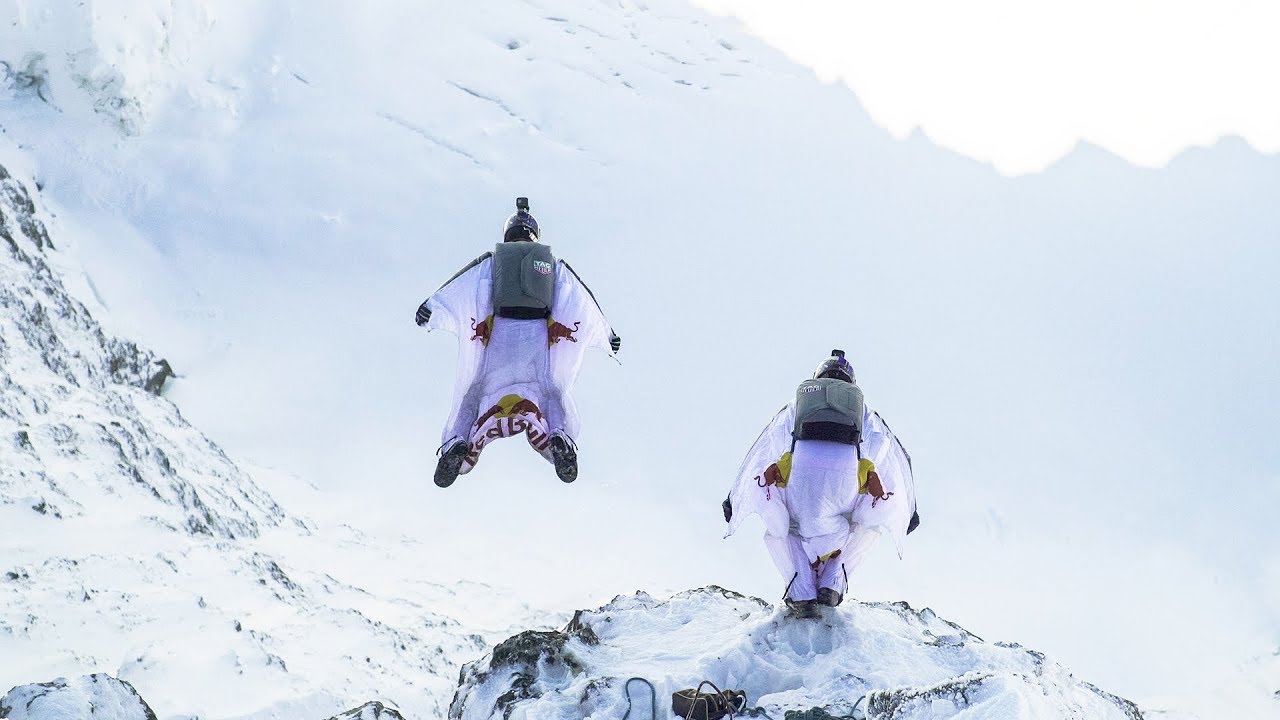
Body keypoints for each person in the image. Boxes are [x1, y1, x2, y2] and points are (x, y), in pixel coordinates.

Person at [414, 197, 620, 488]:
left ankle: (457, 444)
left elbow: (462, 284)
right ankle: (560, 436)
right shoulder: (553, 265)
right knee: (551, 391)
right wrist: (606, 334)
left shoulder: (493, 261)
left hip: (499, 337)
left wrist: (432, 308)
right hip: (537, 340)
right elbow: (578, 295)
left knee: (473, 393)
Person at [723, 350, 919, 618]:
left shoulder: (797, 405)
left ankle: (801, 592)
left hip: (801, 472)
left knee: (788, 530)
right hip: (846, 476)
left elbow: (767, 443)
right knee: (863, 527)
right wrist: (909, 508)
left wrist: (735, 497)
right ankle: (833, 584)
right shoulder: (864, 411)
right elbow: (889, 449)